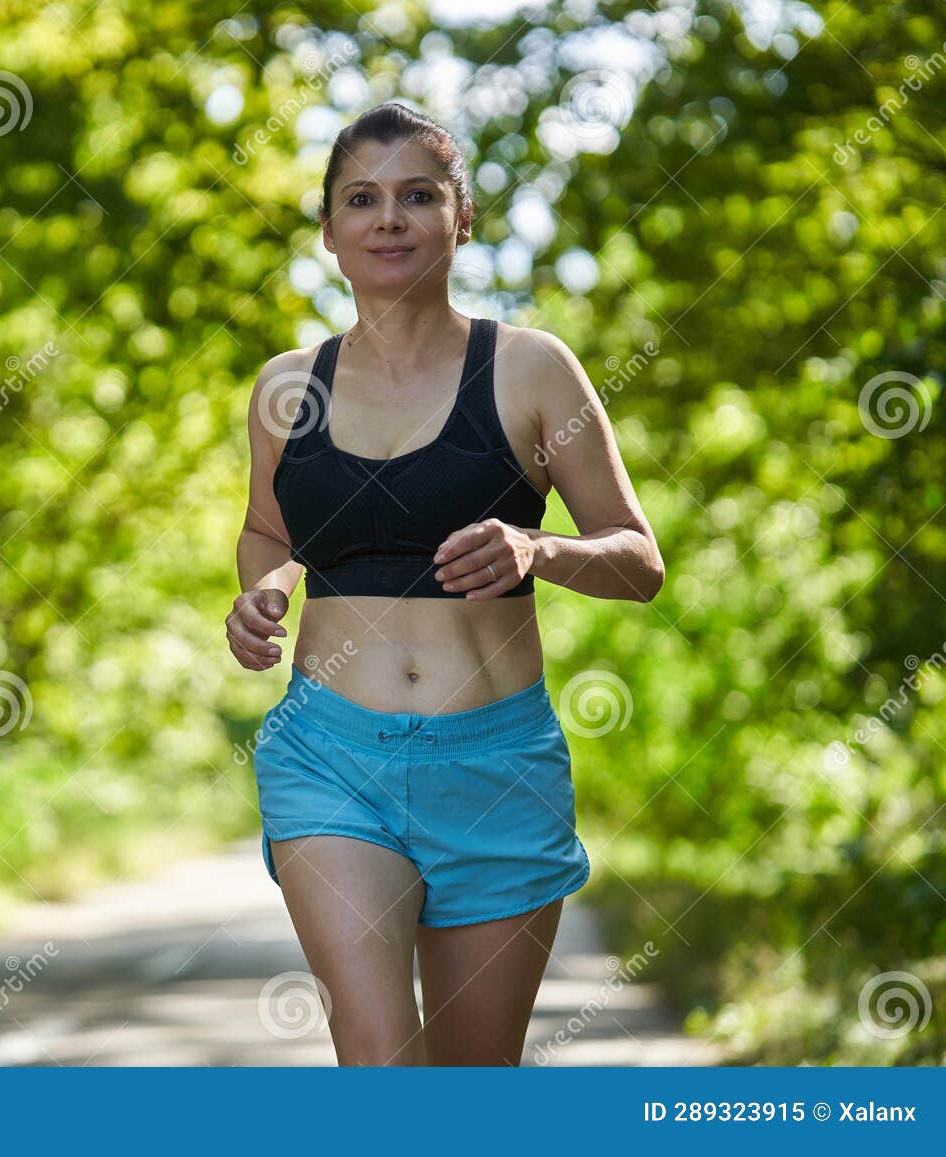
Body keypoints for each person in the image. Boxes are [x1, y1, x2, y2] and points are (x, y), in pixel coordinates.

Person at [228, 102, 664, 1067]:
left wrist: (538, 549)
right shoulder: (285, 387)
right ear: (331, 232)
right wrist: (262, 592)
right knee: (381, 1062)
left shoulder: (532, 369)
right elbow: (266, 530)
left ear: (460, 218)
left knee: (473, 1086)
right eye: (363, 198)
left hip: (497, 761)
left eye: (417, 195)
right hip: (330, 759)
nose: (391, 218)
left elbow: (638, 559)